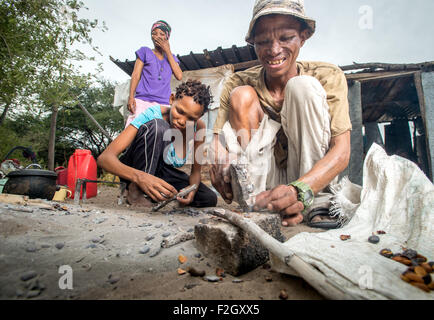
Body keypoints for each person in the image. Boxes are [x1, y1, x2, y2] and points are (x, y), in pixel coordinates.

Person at [209, 0, 352, 228]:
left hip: (309, 182)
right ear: (253, 43)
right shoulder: (238, 80)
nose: (274, 50)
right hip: (263, 182)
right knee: (242, 95)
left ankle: (315, 203)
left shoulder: (328, 75)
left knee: (302, 87)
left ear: (303, 37)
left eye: (285, 38)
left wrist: (300, 190)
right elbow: (217, 141)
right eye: (263, 41)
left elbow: (342, 151)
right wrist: (221, 160)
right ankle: (258, 204)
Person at [98, 80, 217, 208]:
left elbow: (195, 173)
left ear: (199, 117)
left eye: (191, 119)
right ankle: (135, 191)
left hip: (160, 171)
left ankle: (156, 195)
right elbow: (104, 159)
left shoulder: (198, 128)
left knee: (208, 198)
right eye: (180, 112)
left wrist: (191, 189)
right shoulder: (153, 114)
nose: (182, 121)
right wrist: (140, 177)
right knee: (159, 126)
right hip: (135, 169)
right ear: (172, 99)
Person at [125, 20, 183, 128]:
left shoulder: (172, 58)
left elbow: (179, 76)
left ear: (167, 37)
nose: (157, 37)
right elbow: (136, 75)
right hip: (142, 101)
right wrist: (131, 97)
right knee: (134, 133)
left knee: (159, 136)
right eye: (154, 33)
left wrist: (168, 51)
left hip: (163, 104)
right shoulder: (145, 51)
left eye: (162, 34)